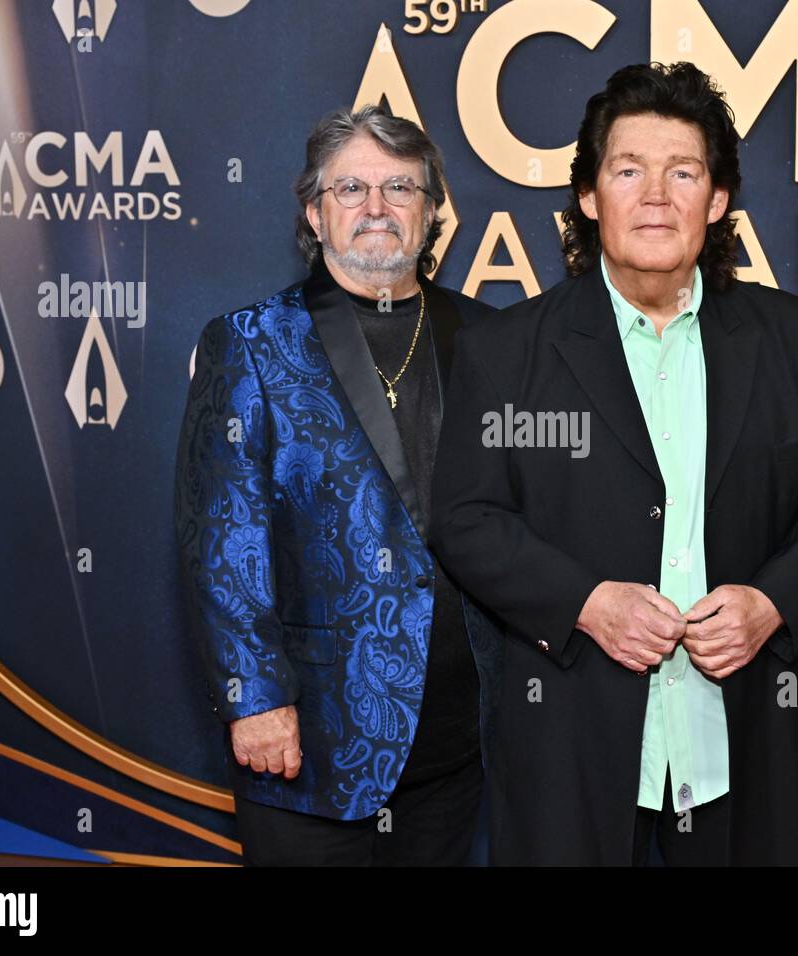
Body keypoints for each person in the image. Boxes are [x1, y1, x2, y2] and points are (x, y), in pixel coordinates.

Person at [429, 62, 798, 865]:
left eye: (685, 171)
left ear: (719, 199)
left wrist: (770, 604)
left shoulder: (793, 338)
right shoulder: (504, 350)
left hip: (740, 744)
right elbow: (465, 518)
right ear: (590, 198)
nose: (658, 195)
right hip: (571, 746)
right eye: (629, 170)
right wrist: (586, 603)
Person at [175, 104, 498, 866]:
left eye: (401, 188)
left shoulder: (490, 336)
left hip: (462, 740)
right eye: (350, 189)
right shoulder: (250, 341)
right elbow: (222, 538)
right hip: (310, 739)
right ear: (315, 215)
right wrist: (255, 700)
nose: (377, 208)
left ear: (432, 213)